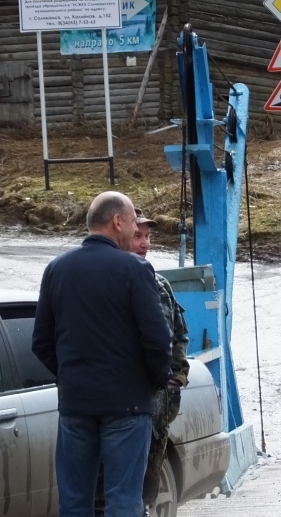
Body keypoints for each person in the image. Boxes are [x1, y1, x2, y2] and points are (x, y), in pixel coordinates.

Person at [33, 191, 172, 517]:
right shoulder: (135, 270)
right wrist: (150, 383)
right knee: (123, 502)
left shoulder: (56, 269)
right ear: (117, 221)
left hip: (75, 406)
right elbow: (158, 340)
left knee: (75, 502)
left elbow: (41, 341)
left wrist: (72, 376)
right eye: (133, 224)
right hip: (127, 406)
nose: (134, 231)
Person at [132, 208, 190, 512]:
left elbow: (179, 334)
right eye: (138, 236)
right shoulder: (116, 284)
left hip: (161, 409)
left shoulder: (161, 284)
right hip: (128, 407)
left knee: (150, 483)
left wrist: (177, 377)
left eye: (148, 236)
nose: (145, 243)